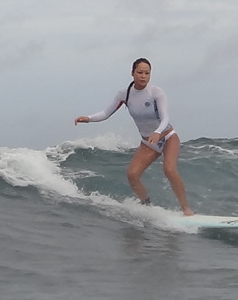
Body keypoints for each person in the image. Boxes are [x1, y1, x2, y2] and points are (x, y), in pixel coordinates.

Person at [75, 58, 194, 215]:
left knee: (169, 169)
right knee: (132, 174)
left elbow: (165, 117)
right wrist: (88, 118)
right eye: (140, 72)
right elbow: (106, 113)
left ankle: (186, 208)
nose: (143, 76)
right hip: (148, 142)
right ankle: (146, 206)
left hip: (167, 136)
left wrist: (158, 132)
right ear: (132, 73)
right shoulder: (125, 94)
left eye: (147, 73)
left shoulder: (156, 92)